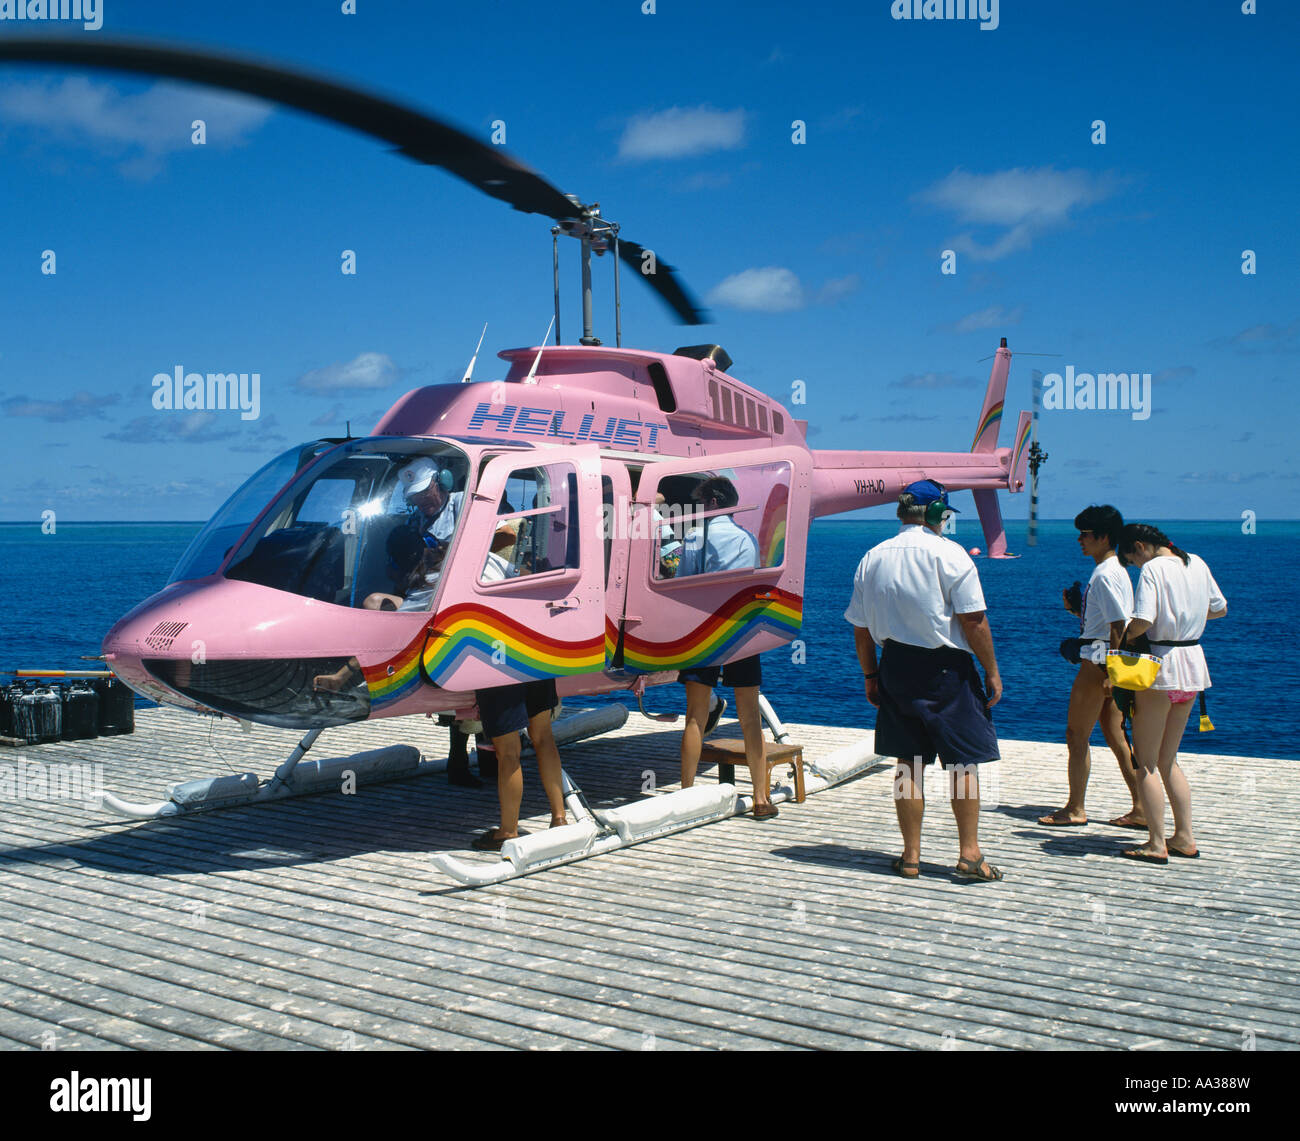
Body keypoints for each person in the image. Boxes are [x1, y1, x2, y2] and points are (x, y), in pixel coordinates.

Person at [844, 480, 1004, 881]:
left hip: (895, 665)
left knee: (908, 764)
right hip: (947, 671)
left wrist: (870, 675)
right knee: (963, 764)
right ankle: (969, 854)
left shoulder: (872, 557)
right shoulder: (951, 555)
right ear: (936, 513)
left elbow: (861, 629)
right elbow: (973, 621)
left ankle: (911, 855)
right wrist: (992, 670)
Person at [1114, 523, 1227, 864]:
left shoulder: (1153, 569)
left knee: (1144, 762)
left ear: (1140, 547)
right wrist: (1188, 617)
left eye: (1131, 560)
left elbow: (1144, 621)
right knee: (1169, 759)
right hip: (1193, 665)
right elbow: (1220, 608)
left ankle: (1155, 843)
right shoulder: (1196, 562)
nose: (1135, 566)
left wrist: (1124, 638)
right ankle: (1184, 837)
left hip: (1160, 667)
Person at [676, 476, 775, 818]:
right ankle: (761, 798)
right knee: (750, 717)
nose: (697, 510)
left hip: (704, 630)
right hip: (742, 632)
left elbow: (684, 582)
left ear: (713, 502)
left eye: (701, 503)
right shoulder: (747, 538)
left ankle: (687, 795)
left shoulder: (694, 536)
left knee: (695, 717)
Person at [1039, 505, 1142, 827]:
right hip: (1110, 662)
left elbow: (1117, 625)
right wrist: (1077, 611)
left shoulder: (1105, 574)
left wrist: (1112, 672)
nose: (1080, 540)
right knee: (1116, 735)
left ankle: (1075, 808)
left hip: (1098, 666)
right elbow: (1109, 624)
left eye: (1085, 534)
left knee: (1076, 734)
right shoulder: (1117, 570)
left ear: (1103, 537)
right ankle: (1141, 807)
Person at [470, 678, 569, 851]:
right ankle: (559, 817)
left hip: (497, 664)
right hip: (534, 659)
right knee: (544, 738)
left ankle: (508, 832)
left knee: (508, 752)